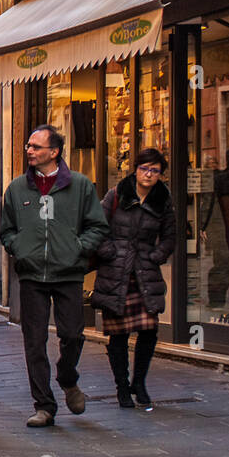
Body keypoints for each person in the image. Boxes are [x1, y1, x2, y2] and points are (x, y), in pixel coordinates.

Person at [0, 124, 110, 427]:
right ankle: (44, 406)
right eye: (28, 146)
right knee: (33, 341)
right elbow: (6, 230)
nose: (30, 151)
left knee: (73, 334)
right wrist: (19, 248)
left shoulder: (80, 186)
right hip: (32, 275)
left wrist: (77, 248)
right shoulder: (18, 189)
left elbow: (98, 226)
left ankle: (67, 376)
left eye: (36, 147)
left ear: (54, 152)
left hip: (68, 274)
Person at [92, 148, 177, 410]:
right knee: (118, 334)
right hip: (116, 272)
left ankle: (139, 382)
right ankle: (122, 387)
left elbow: (171, 236)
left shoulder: (163, 200)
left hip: (144, 273)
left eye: (154, 170)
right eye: (144, 169)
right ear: (135, 169)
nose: (148, 175)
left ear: (161, 174)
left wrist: (156, 255)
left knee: (149, 329)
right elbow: (97, 226)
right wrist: (108, 252)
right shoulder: (117, 194)